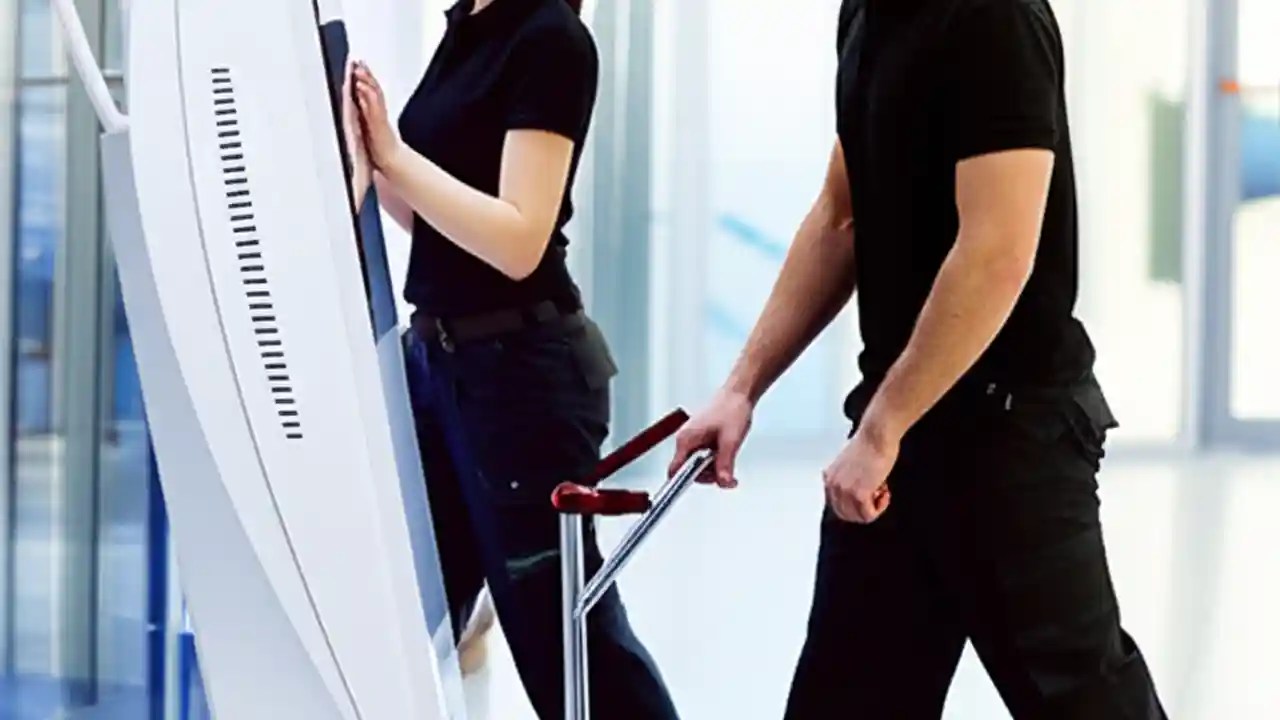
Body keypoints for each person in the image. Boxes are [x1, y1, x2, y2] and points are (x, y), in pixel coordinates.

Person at [669, 0, 1168, 717]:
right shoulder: (869, 13)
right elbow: (841, 215)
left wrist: (880, 430)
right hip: (901, 439)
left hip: (1010, 438)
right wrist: (742, 387)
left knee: (1085, 704)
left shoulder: (994, 18)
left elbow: (997, 250)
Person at [342, 0, 679, 717]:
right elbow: (435, 221)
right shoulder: (465, 28)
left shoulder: (551, 40)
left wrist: (395, 156)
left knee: (566, 643)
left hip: (521, 379)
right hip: (436, 367)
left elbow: (518, 241)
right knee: (398, 614)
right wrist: (374, 158)